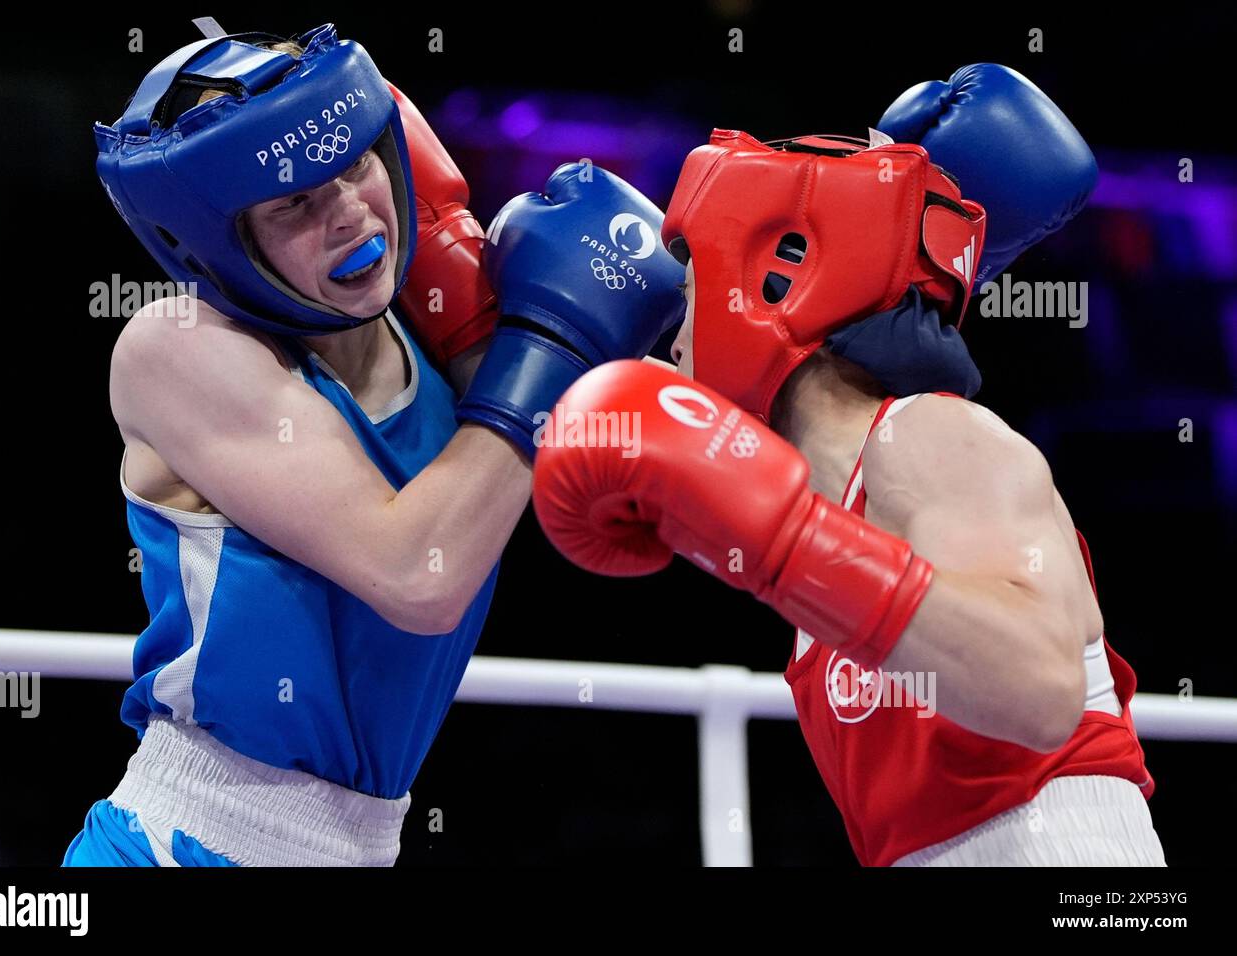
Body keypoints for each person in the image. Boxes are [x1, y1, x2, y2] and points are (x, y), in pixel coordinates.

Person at [65, 21, 683, 866]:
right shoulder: (177, 348)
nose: (353, 212)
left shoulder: (426, 332)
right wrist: (549, 346)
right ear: (217, 240)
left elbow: (646, 463)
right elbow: (417, 574)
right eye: (294, 201)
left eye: (354, 163)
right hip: (185, 840)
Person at [531, 65, 1165, 866]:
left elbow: (1040, 693)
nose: (673, 334)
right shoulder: (823, 516)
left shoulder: (933, 438)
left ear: (770, 281)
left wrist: (786, 544)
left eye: (691, 290)